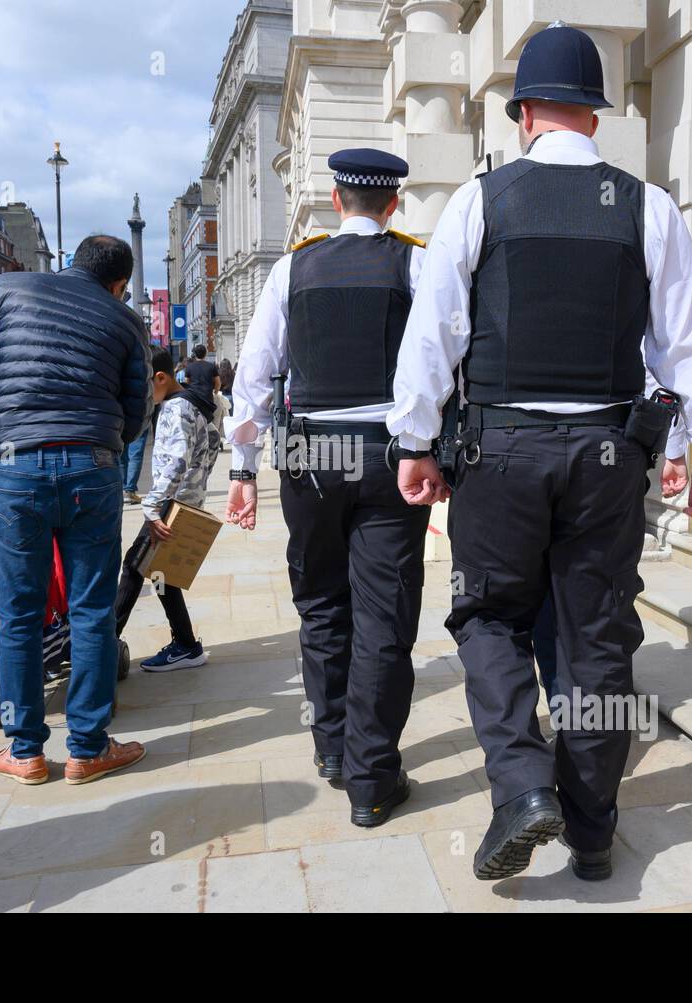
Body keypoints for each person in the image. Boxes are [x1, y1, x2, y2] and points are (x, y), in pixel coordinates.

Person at [388, 23, 692, 883]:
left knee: (490, 617)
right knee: (597, 639)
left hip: (501, 451)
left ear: (522, 115)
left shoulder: (481, 200)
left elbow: (434, 332)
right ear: (596, 111)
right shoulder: (646, 204)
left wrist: (412, 439)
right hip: (609, 457)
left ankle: (520, 789)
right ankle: (591, 832)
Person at [227, 148, 429, 829]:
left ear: (336, 200)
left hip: (310, 455)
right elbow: (440, 362)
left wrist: (241, 469)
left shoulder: (294, 267)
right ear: (391, 204)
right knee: (384, 614)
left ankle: (332, 748)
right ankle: (371, 779)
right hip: (386, 455)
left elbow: (254, 375)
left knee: (320, 603)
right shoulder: (415, 263)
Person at [0, 234, 152, 787]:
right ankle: (88, 749)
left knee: (18, 611)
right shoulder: (124, 322)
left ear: (73, 264)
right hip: (91, 468)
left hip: (13, 467)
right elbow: (137, 411)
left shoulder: (7, 289)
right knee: (91, 609)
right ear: (119, 284)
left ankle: (25, 751)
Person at [114, 348, 220, 670]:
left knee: (134, 567)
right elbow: (213, 442)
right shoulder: (191, 404)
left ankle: (102, 643)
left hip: (168, 509)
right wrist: (197, 484)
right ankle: (187, 645)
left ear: (161, 378)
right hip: (181, 503)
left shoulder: (175, 409)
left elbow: (176, 462)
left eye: (145, 386)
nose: (142, 395)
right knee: (160, 575)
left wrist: (153, 505)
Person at [120, 425, 149, 506]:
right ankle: (129, 491)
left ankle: (122, 490)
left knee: (121, 453)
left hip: (120, 418)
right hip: (139, 419)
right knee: (135, 454)